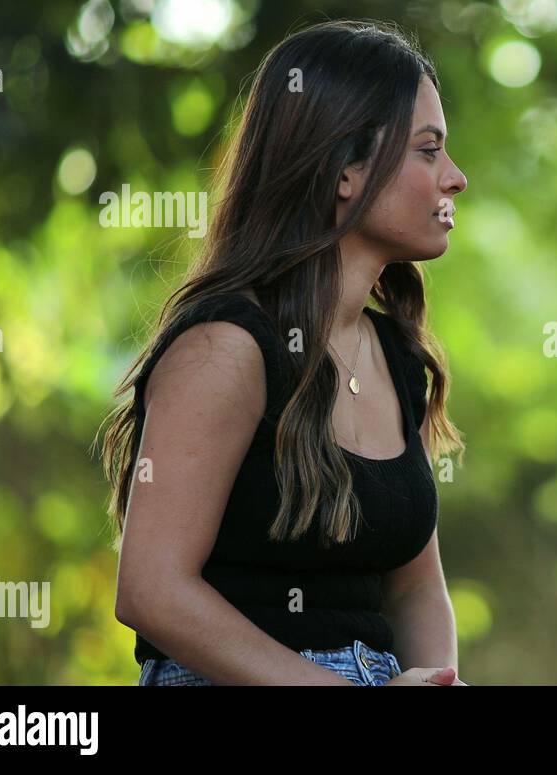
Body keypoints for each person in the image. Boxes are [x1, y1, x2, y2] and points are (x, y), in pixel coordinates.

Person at [99, 20, 469, 686]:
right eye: (428, 150)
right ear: (346, 171)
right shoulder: (225, 347)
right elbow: (151, 589)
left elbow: (415, 588)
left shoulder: (399, 359)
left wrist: (436, 678)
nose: (456, 178)